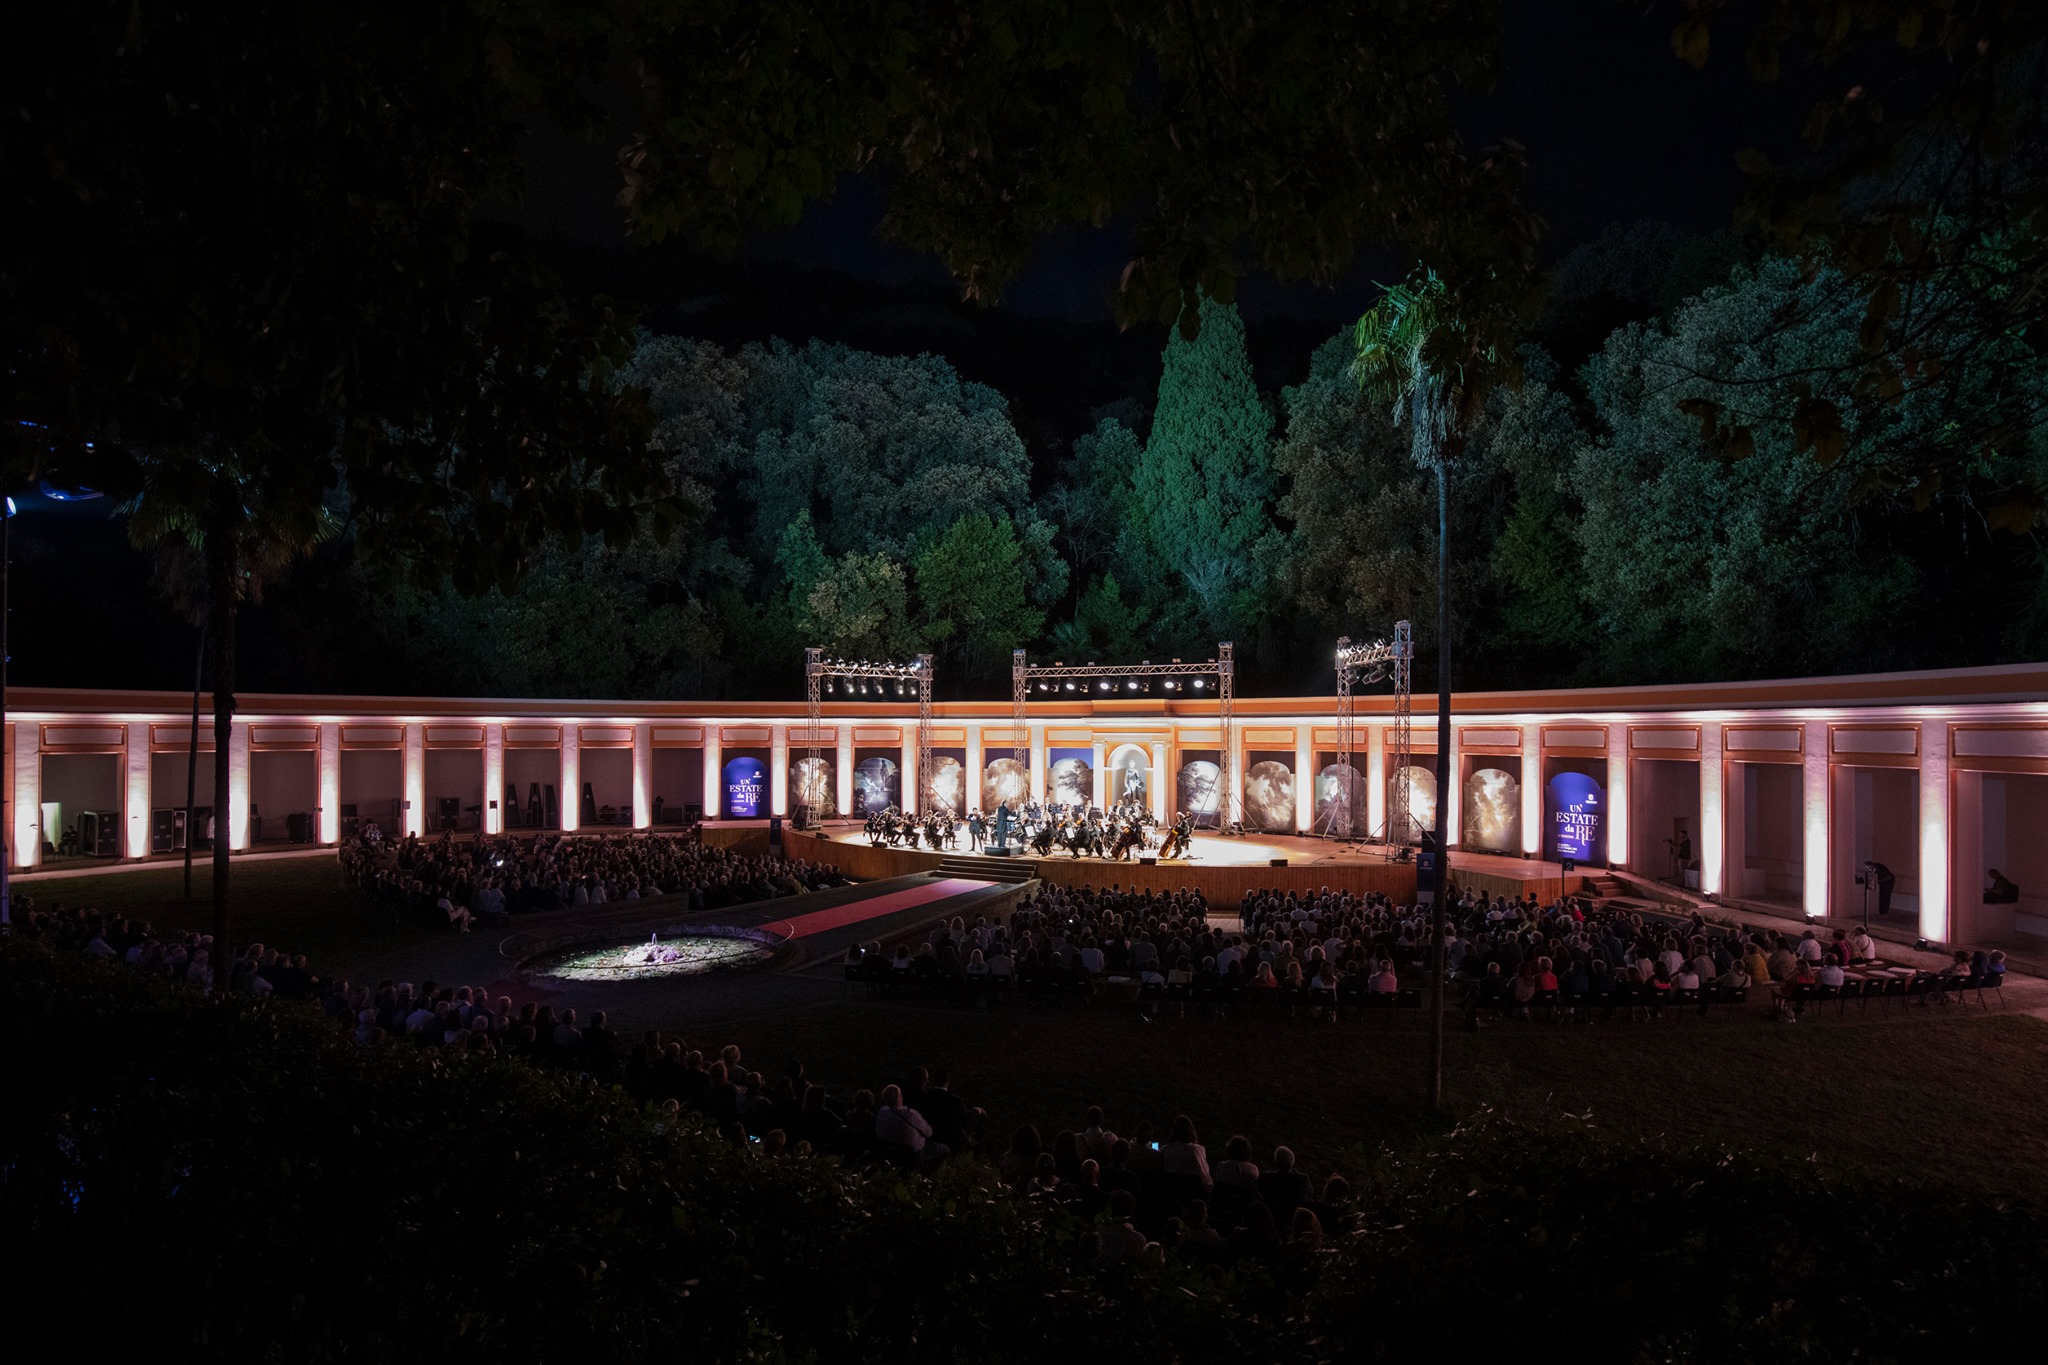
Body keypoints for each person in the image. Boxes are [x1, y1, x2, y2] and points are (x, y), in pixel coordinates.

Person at [875, 1083, 946, 1166]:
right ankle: (928, 1174)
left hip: (889, 1152)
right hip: (913, 1155)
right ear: (900, 1097)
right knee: (945, 1150)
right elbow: (929, 1132)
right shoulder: (910, 1114)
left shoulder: (882, 1113)